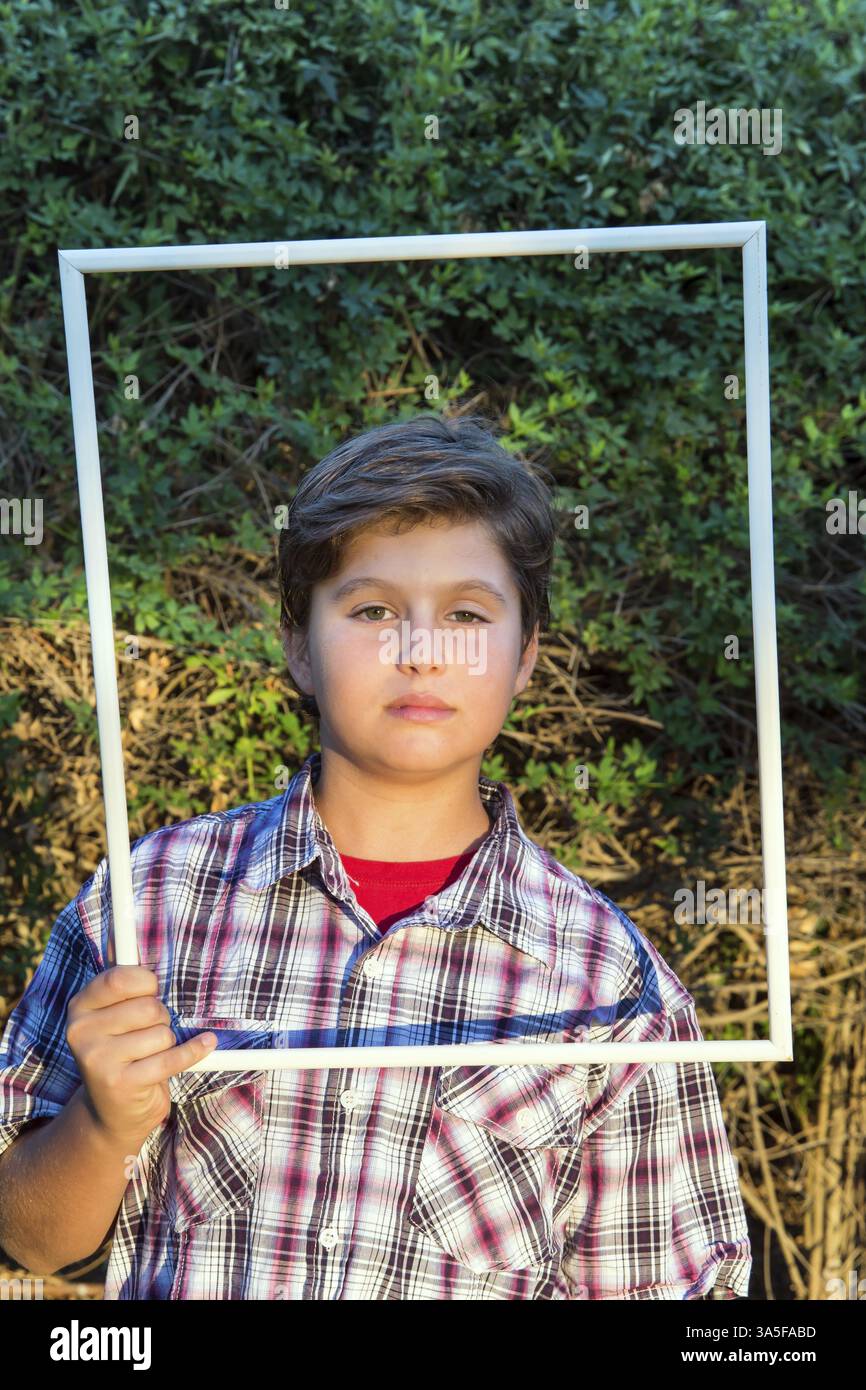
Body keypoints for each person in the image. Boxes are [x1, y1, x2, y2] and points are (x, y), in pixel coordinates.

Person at [0, 413, 752, 1300]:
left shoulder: (612, 985)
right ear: (298, 648)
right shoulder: (150, 901)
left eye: (467, 614)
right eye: (371, 610)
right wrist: (99, 1121)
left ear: (525, 657)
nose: (422, 651)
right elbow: (29, 1240)